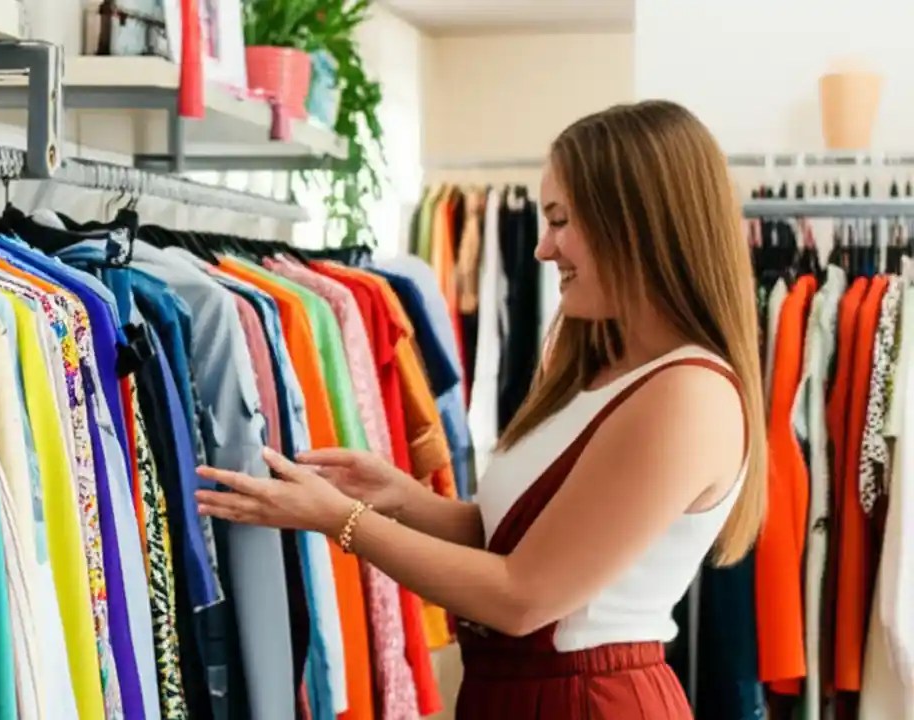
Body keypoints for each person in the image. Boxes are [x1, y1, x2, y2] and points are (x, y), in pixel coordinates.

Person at [193, 99, 767, 720]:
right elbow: (523, 537)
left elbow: (524, 595)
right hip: (527, 691)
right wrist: (402, 499)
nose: (544, 250)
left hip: (588, 701)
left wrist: (343, 521)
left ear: (637, 222)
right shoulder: (602, 365)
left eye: (560, 220)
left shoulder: (687, 395)